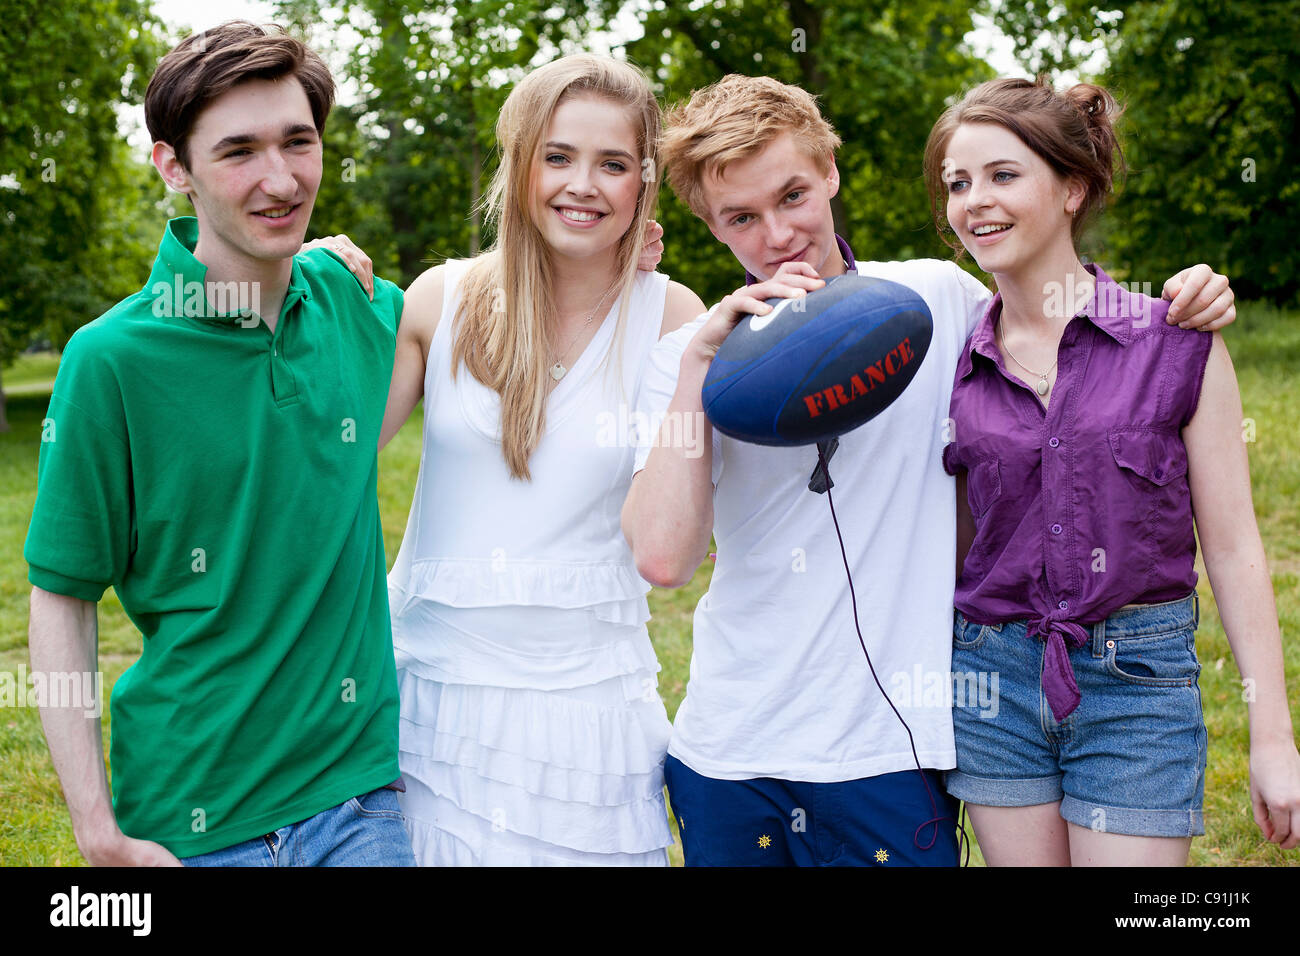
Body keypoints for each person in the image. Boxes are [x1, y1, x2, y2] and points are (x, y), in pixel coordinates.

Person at [622, 73, 1236, 866]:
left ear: (831, 174)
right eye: (741, 217)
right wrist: (700, 370)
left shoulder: (936, 302)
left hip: (892, 751)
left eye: (794, 196)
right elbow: (664, 558)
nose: (777, 234)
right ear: (709, 224)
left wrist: (1181, 298)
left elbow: (1061, 321)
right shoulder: (685, 361)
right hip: (731, 752)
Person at [24, 21, 415, 866]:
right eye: (238, 151)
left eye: (298, 143)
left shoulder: (362, 303)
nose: (280, 180)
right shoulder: (111, 360)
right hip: (188, 821)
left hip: (358, 800)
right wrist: (97, 831)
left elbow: (512, 297)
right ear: (174, 167)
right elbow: (62, 596)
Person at [926, 76, 1300, 865]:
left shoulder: (1177, 338)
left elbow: (1233, 550)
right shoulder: (950, 358)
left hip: (1138, 683)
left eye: (1002, 175)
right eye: (958, 182)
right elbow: (954, 546)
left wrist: (1273, 741)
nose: (974, 202)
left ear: (1073, 188)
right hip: (992, 681)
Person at [378, 53, 706, 865]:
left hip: (586, 712)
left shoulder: (672, 315)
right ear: (520, 163)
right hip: (433, 702)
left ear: (643, 185)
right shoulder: (436, 299)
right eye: (557, 156)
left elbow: (671, 545)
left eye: (613, 164)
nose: (582, 185)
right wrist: (306, 277)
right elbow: (326, 464)